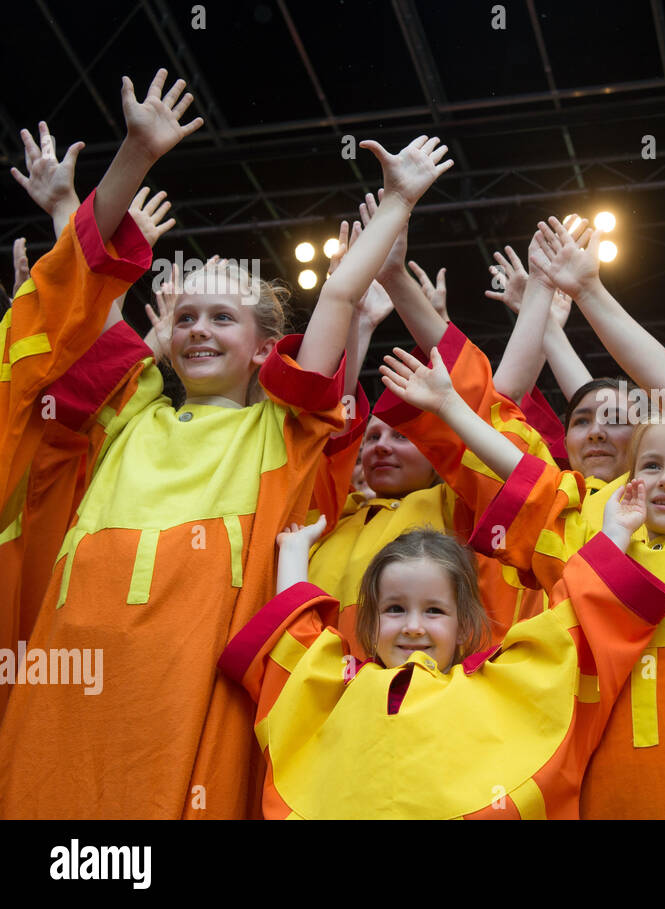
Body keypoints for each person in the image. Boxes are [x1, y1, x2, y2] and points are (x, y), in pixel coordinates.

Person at [0, 127, 454, 819]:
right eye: (184, 317)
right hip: (69, 687)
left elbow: (335, 299)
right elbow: (89, 308)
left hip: (188, 696)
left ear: (265, 348)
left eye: (221, 317)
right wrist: (104, 177)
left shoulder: (283, 432)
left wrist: (396, 202)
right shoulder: (126, 412)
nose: (199, 330)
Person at [377, 335, 665, 819]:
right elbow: (529, 477)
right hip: (612, 778)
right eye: (651, 465)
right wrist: (449, 407)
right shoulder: (597, 536)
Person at [219, 480, 665, 819]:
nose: (414, 626)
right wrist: (295, 551)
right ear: (371, 620)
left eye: (434, 611)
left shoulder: (496, 682)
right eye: (395, 608)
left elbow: (571, 628)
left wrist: (615, 532)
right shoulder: (335, 686)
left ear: (463, 627)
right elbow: (295, 640)